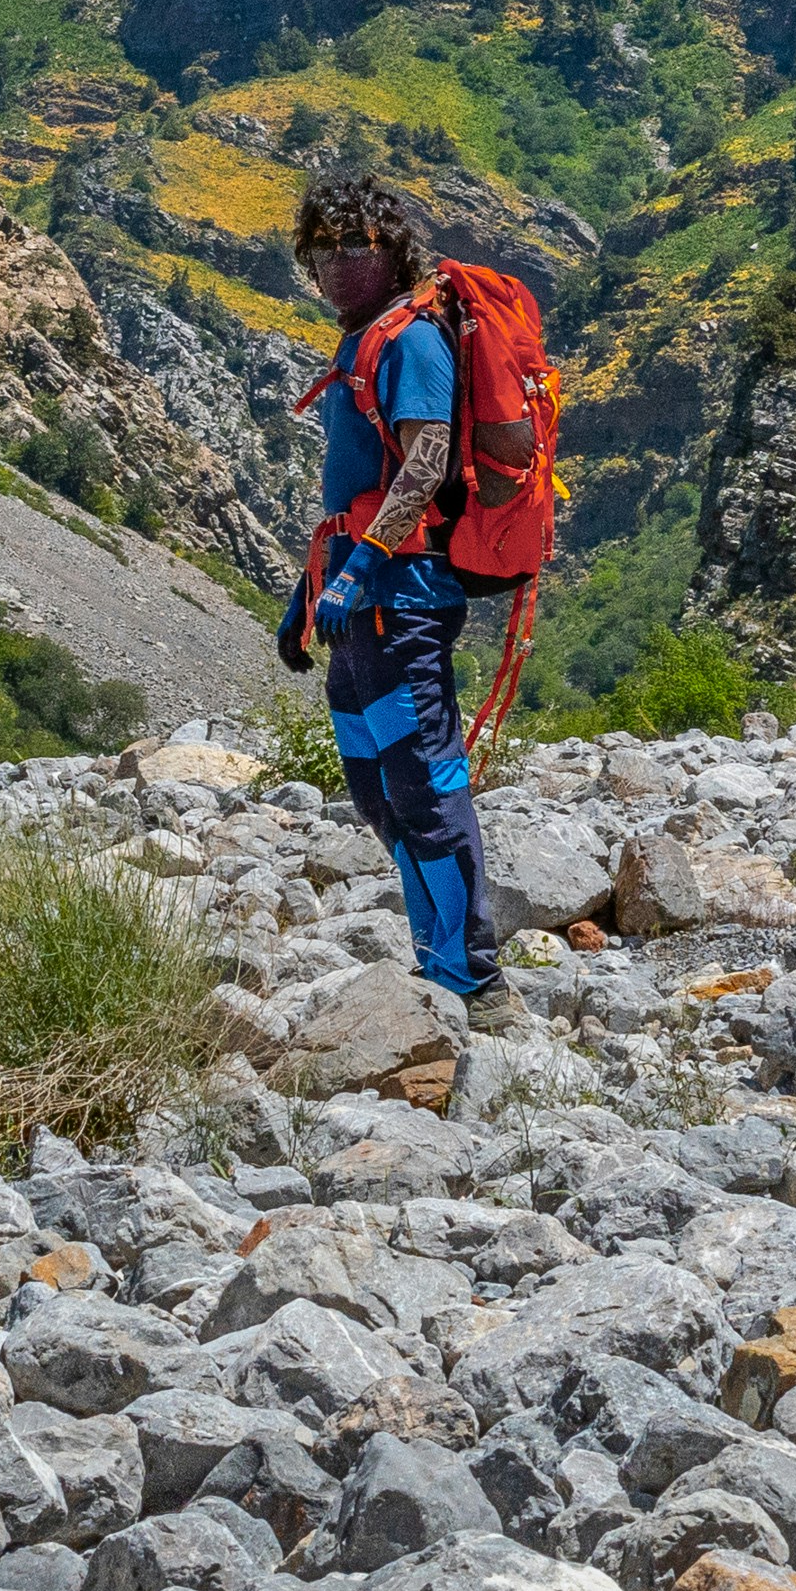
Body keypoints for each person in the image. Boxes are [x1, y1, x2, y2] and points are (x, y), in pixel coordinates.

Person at [281, 169, 492, 1000]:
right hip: (350, 607)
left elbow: (425, 464)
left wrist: (361, 568)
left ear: (390, 250)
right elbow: (350, 487)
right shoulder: (358, 341)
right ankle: (434, 962)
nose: (336, 264)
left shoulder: (411, 339)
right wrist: (306, 597)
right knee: (376, 792)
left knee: (424, 784)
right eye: (321, 248)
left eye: (355, 247)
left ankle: (475, 979)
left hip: (401, 601)